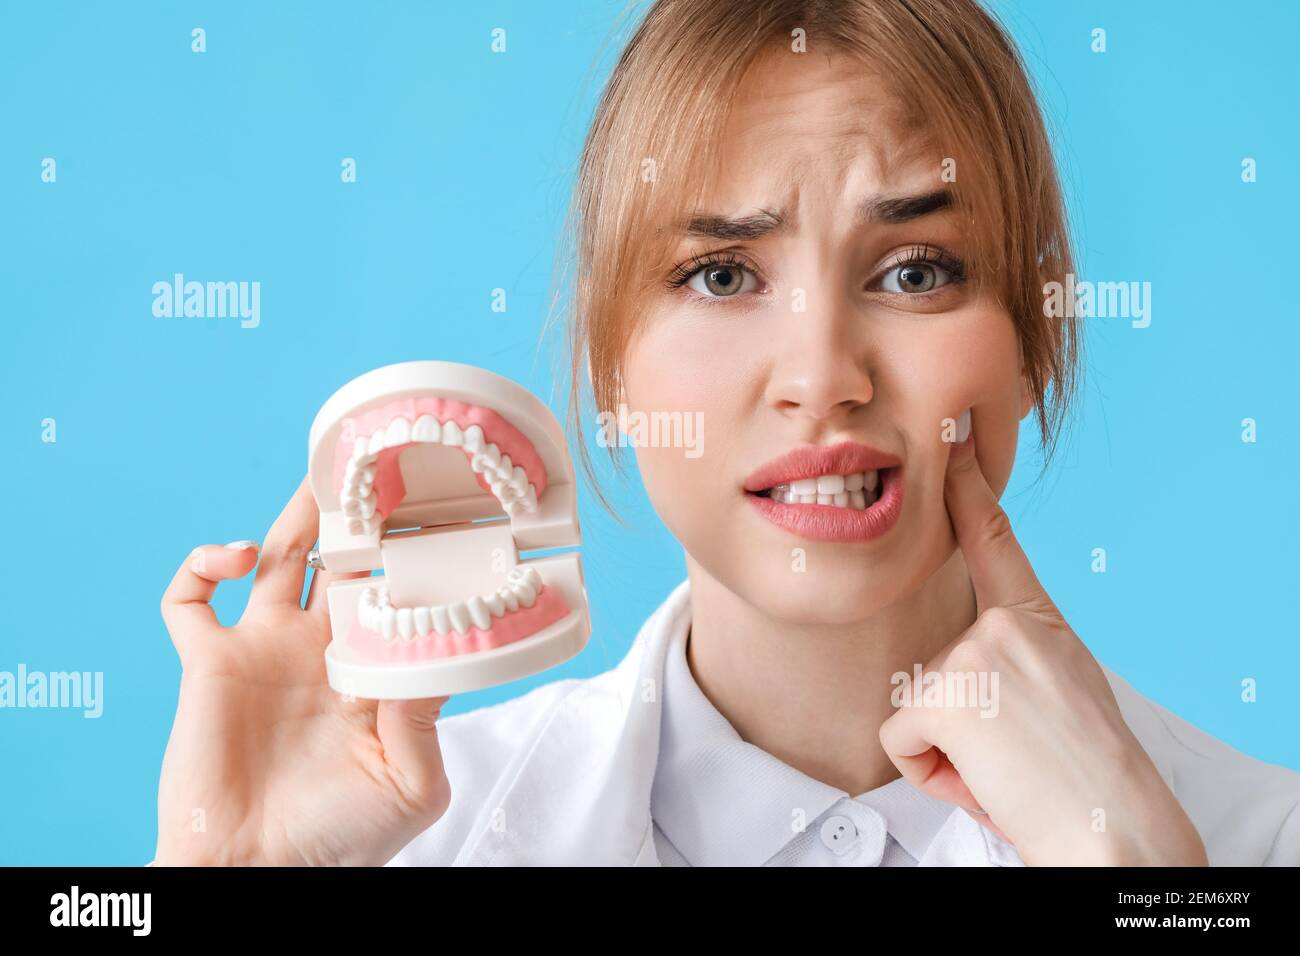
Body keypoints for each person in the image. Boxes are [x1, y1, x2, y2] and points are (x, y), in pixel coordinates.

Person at [152, 0, 1300, 866]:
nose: (820, 378)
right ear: (607, 360)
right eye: (718, 274)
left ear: (1034, 343)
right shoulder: (408, 834)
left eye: (914, 270)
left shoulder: (1246, 838)